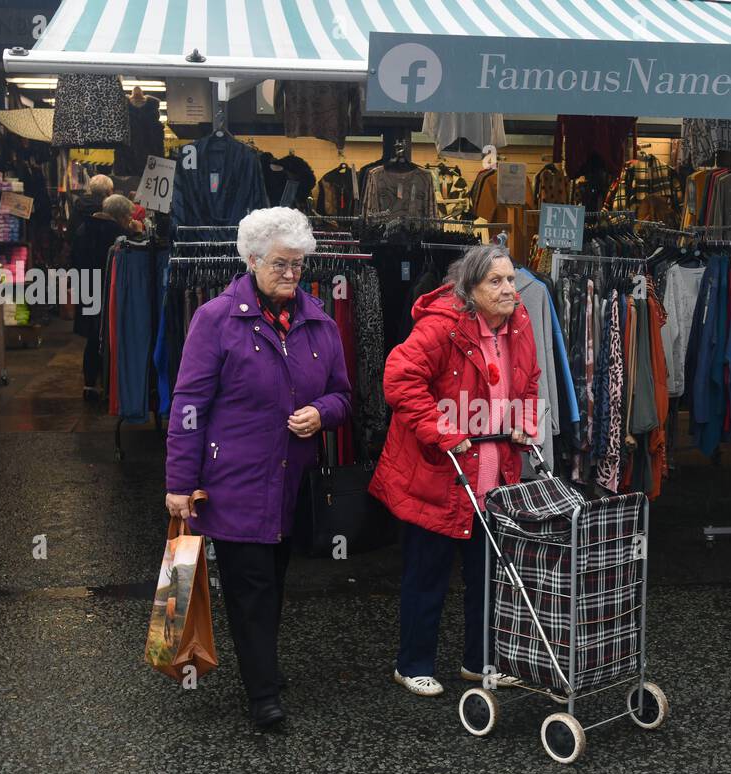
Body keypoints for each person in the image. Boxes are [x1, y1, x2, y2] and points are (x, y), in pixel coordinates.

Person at [164, 208, 351, 728]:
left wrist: (323, 413)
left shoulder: (319, 321)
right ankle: (263, 695)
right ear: (251, 261)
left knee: (274, 579)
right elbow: (187, 404)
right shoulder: (216, 319)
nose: (291, 275)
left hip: (291, 483)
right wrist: (180, 482)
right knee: (251, 589)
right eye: (280, 265)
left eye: (298, 265)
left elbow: (344, 394)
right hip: (234, 485)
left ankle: (261, 663)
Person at [369, 245, 540, 697]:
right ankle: (412, 664)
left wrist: (525, 421)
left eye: (510, 279)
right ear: (471, 289)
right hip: (437, 474)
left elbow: (530, 378)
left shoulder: (519, 324)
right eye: (496, 282)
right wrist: (442, 429)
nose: (510, 290)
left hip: (492, 474)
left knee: (488, 575)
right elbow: (399, 379)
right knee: (428, 574)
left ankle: (479, 661)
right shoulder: (441, 328)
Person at [69, 193, 143, 401]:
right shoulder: (118, 233)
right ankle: (111, 385)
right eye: (128, 216)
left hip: (87, 287)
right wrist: (136, 234)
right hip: (109, 291)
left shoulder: (83, 228)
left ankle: (90, 384)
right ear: (120, 216)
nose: (130, 220)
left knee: (93, 338)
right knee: (110, 335)